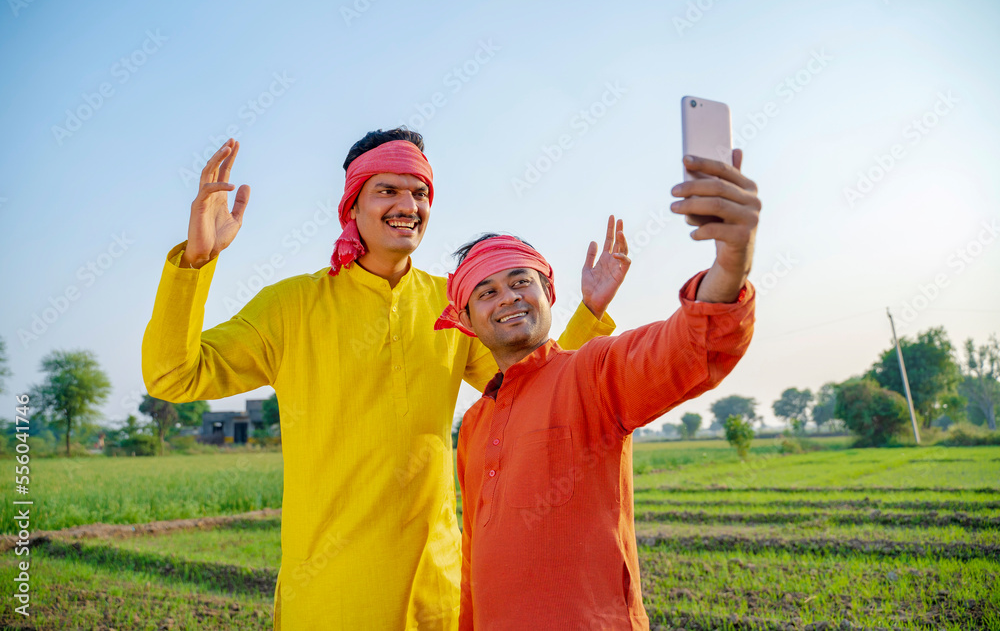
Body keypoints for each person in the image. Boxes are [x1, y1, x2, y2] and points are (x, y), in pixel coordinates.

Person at [141, 128, 628, 630]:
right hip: (331, 597)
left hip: (436, 594)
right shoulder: (291, 306)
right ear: (352, 205)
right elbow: (173, 377)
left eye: (420, 192)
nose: (408, 205)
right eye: (387, 190)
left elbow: (534, 386)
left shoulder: (453, 306)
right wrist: (195, 263)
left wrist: (590, 312)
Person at [446, 151, 760, 630]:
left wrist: (732, 260)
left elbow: (686, 348)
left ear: (548, 295)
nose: (508, 297)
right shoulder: (473, 425)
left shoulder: (592, 373)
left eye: (520, 281)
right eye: (486, 292)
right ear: (466, 321)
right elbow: (472, 560)